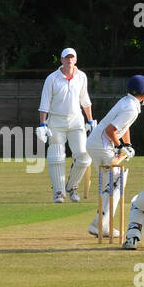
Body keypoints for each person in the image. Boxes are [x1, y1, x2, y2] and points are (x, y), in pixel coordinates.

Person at [84, 74, 144, 239]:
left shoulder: (127, 102)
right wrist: (120, 147)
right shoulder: (131, 107)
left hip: (96, 143)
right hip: (102, 145)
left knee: (112, 182)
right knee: (117, 182)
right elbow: (111, 131)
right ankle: (99, 225)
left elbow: (124, 126)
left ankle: (101, 224)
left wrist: (127, 145)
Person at [36, 48, 95, 203]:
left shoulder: (81, 77)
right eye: (66, 58)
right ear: (61, 60)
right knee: (56, 156)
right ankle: (58, 192)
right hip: (56, 120)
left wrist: (90, 120)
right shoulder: (52, 78)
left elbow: (85, 100)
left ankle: (71, 186)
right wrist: (43, 124)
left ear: (75, 60)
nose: (69, 60)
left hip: (76, 120)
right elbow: (45, 102)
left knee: (84, 156)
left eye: (72, 57)